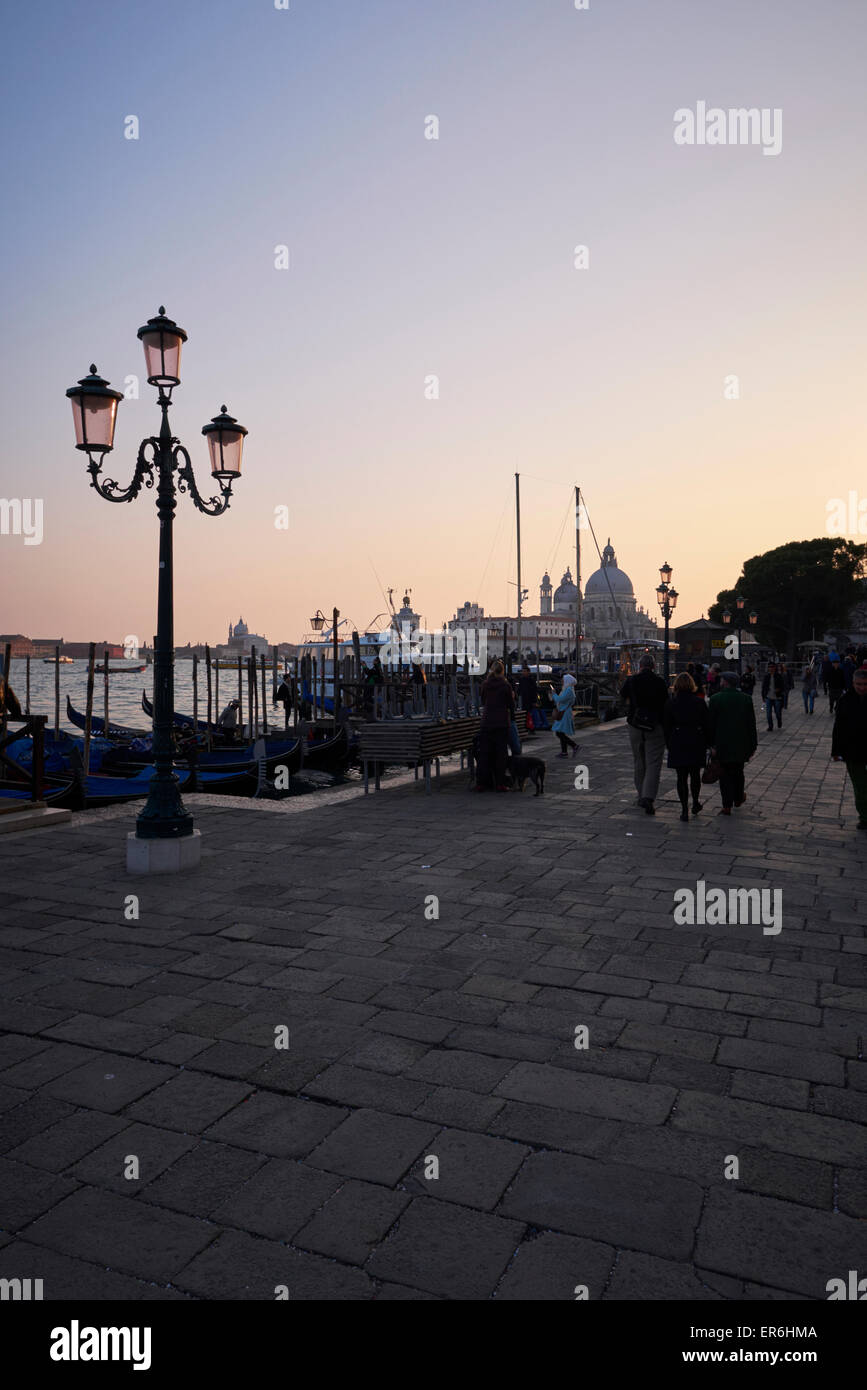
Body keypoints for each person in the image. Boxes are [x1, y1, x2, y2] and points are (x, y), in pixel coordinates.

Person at [621, 654, 668, 814]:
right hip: (655, 725)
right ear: (653, 666)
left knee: (639, 761)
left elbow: (622, 696)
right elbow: (666, 703)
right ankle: (648, 797)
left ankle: (641, 794)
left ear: (640, 666)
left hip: (635, 724)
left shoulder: (632, 680)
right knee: (653, 763)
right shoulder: (660, 682)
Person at [708, 671, 758, 815]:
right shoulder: (746, 699)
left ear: (725, 682)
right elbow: (751, 724)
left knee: (724, 775)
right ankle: (738, 797)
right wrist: (753, 744)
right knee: (738, 771)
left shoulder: (716, 699)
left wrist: (710, 744)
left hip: (722, 743)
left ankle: (726, 805)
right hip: (741, 743)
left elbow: (711, 724)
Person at [663, 672, 711, 821]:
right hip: (696, 739)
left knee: (681, 777)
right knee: (695, 774)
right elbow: (707, 724)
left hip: (678, 739)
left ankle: (684, 809)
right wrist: (709, 743)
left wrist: (668, 743)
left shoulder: (671, 703)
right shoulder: (699, 702)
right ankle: (695, 802)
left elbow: (666, 725)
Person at [831, 666, 867, 831]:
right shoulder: (845, 701)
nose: (862, 687)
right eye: (858, 684)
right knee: (860, 786)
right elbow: (838, 728)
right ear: (853, 683)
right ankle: (865, 817)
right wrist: (836, 751)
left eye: (865, 684)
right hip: (853, 751)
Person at [475, 659, 514, 792]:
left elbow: (483, 701)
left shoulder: (485, 684)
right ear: (502, 671)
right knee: (500, 754)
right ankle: (500, 783)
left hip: (486, 722)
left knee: (484, 754)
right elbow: (510, 704)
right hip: (501, 723)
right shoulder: (505, 685)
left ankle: (481, 783)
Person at [551, 673, 580, 758]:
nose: (562, 681)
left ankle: (574, 746)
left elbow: (560, 699)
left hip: (564, 713)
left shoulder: (568, 690)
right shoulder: (568, 689)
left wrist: (554, 694)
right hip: (564, 712)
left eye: (563, 680)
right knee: (560, 732)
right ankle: (564, 752)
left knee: (559, 732)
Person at [761, 662, 785, 730]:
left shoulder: (779, 676)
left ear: (775, 668)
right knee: (768, 713)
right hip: (768, 697)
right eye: (769, 667)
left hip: (777, 697)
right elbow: (763, 687)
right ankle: (770, 726)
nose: (771, 668)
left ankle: (779, 721)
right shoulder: (766, 676)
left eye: (772, 667)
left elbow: (783, 686)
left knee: (777, 712)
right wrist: (763, 697)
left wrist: (779, 689)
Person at [517, 663, 539, 731]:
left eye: (524, 671)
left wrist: (534, 701)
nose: (523, 673)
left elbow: (534, 691)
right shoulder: (521, 679)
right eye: (523, 671)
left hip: (530, 700)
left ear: (528, 672)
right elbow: (519, 689)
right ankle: (526, 727)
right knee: (525, 714)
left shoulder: (531, 680)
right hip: (524, 699)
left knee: (530, 714)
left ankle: (531, 727)